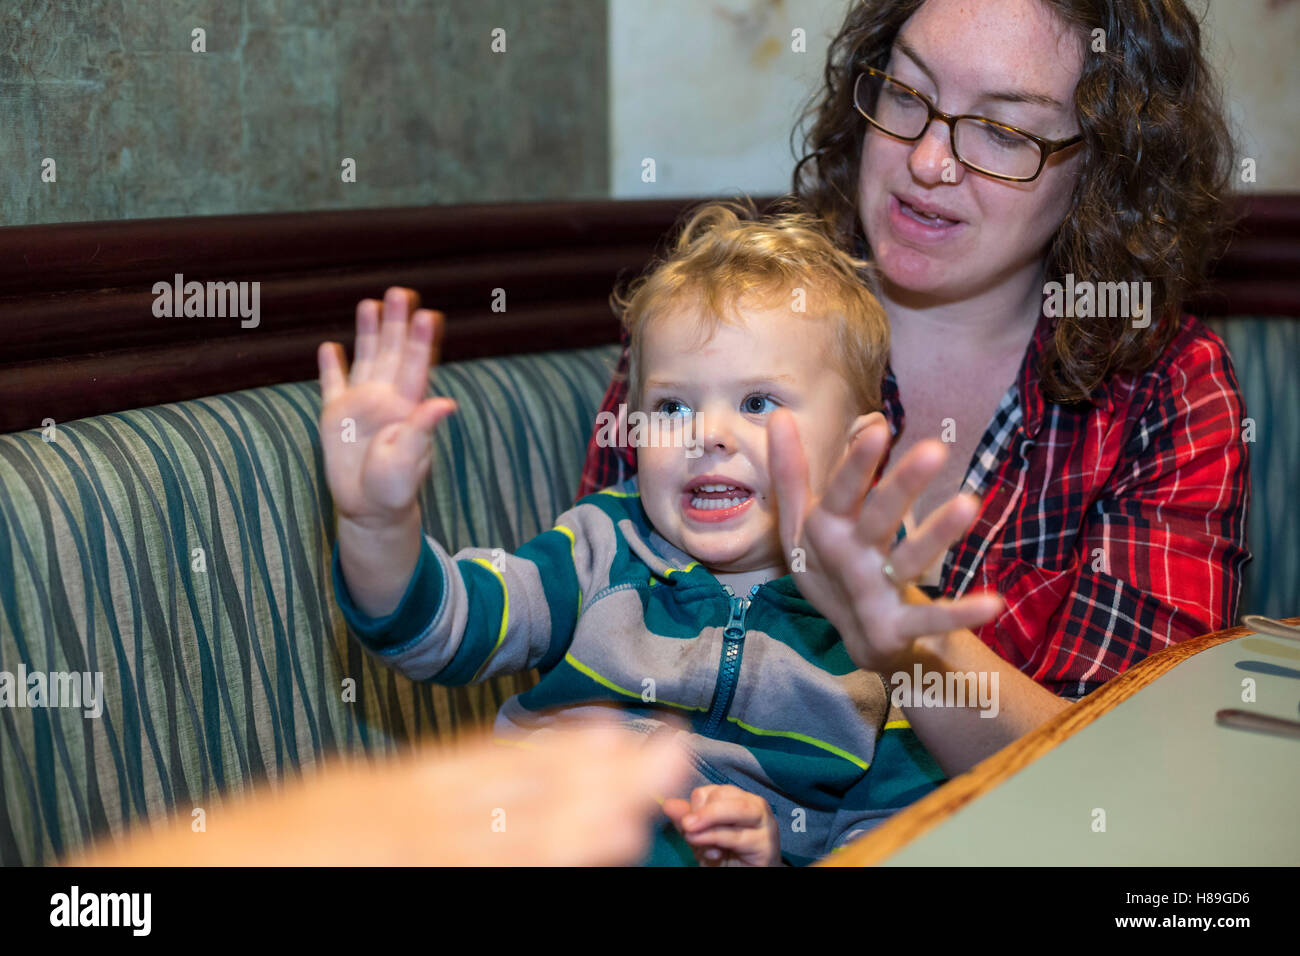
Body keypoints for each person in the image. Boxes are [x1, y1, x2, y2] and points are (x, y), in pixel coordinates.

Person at [578, 0, 1251, 776]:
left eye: (1003, 131)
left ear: (1103, 169)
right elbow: (593, 641)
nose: (929, 160)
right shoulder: (722, 319)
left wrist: (912, 645)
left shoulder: (1168, 388)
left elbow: (1139, 770)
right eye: (905, 94)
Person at [316, 204, 1002, 866]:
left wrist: (772, 857)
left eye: (758, 402)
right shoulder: (602, 547)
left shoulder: (881, 635)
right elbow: (439, 630)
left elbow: (890, 836)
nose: (707, 435)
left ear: (858, 447)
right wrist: (378, 524)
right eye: (672, 406)